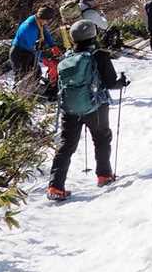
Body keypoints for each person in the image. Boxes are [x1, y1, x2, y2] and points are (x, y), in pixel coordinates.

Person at [47, 19, 129, 201]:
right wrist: (121, 83)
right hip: (96, 107)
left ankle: (55, 186)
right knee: (101, 139)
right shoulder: (99, 55)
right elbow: (109, 82)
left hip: (70, 109)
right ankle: (104, 175)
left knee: (66, 146)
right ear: (93, 35)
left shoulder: (66, 57)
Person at [10, 5, 60, 92]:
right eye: (48, 20)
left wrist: (53, 45)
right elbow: (33, 49)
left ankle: (35, 92)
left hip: (27, 52)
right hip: (19, 53)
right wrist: (45, 60)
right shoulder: (30, 28)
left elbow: (45, 32)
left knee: (36, 73)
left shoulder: (37, 20)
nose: (48, 23)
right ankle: (18, 96)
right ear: (44, 18)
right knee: (22, 77)